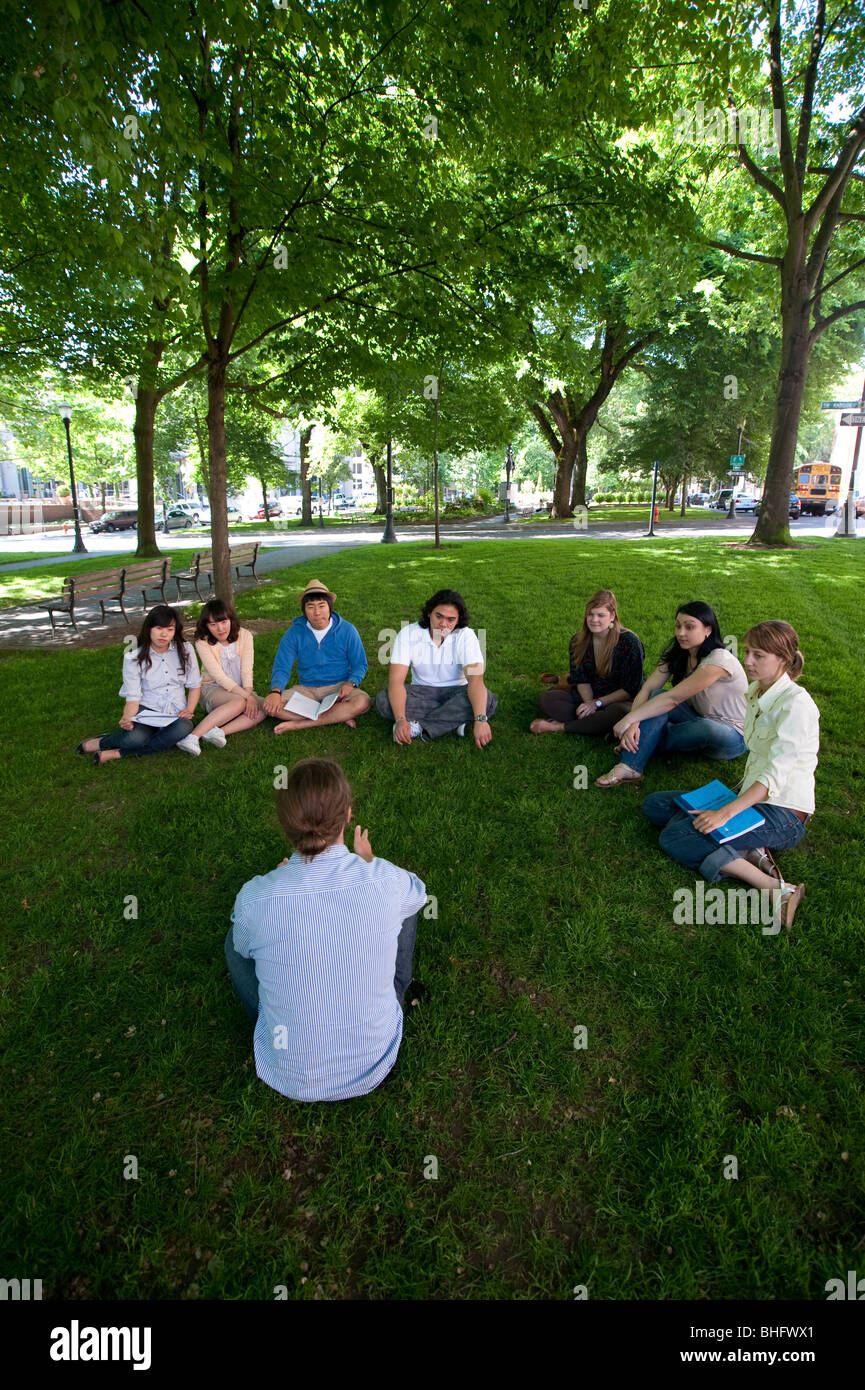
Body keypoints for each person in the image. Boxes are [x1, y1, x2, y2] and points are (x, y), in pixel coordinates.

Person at [226, 758, 428, 1102]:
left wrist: (281, 885)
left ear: (285, 823)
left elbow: (244, 948)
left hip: (290, 1067)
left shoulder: (255, 897)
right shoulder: (384, 880)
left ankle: (275, 1014)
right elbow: (419, 893)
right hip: (376, 1058)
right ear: (348, 815)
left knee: (235, 939)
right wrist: (370, 864)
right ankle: (401, 985)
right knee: (406, 904)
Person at [642, 621, 818, 929]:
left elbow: (773, 779)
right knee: (655, 804)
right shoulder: (756, 692)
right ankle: (747, 847)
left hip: (784, 815)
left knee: (675, 836)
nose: (747, 661)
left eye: (759, 655)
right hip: (750, 800)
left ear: (784, 660)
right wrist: (727, 808)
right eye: (748, 652)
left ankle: (776, 890)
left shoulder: (796, 706)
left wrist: (724, 813)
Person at [595, 601, 747, 788]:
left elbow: (673, 699)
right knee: (658, 694)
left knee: (705, 726)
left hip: (731, 735)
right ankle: (630, 765)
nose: (681, 633)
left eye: (689, 627)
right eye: (678, 626)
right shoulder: (679, 653)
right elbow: (648, 689)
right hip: (695, 717)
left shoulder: (719, 659)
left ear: (708, 629)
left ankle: (645, 740)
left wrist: (630, 719)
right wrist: (633, 723)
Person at [75, 605, 202, 764]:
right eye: (158, 628)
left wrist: (189, 709)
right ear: (149, 628)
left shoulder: (185, 650)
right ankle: (103, 742)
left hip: (175, 711)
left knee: (184, 727)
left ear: (175, 631)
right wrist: (127, 718)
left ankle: (118, 753)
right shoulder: (134, 657)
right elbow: (133, 696)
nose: (164, 634)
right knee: (134, 738)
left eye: (169, 629)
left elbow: (194, 685)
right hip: (147, 710)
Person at [376, 588, 496, 746]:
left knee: (487, 699)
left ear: (458, 620)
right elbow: (396, 681)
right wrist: (400, 719)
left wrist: (480, 719)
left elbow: (475, 680)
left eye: (450, 619)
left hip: (458, 692)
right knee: (383, 701)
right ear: (429, 613)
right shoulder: (408, 634)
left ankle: (420, 726)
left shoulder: (466, 636)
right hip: (421, 692)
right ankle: (455, 720)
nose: (443, 624)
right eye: (438, 616)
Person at [261, 579, 371, 734]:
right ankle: (338, 714)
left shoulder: (347, 630)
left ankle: (301, 723)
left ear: (330, 608)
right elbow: (282, 666)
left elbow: (360, 664)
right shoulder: (294, 633)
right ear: (304, 610)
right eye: (310, 607)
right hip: (307, 690)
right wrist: (275, 692)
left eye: (321, 606)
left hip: (338, 688)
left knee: (363, 701)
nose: (317, 612)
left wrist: (351, 683)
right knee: (271, 707)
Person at [530, 589, 644, 737]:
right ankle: (596, 725)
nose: (594, 619)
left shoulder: (630, 643)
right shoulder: (578, 641)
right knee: (548, 699)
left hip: (620, 699)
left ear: (612, 616)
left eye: (600, 615)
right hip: (591, 694)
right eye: (590, 614)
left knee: (619, 713)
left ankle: (558, 726)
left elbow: (630, 689)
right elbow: (581, 679)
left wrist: (597, 704)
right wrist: (589, 703)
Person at [187, 598, 267, 750]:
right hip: (213, 688)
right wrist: (247, 697)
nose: (220, 629)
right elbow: (219, 677)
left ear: (231, 619)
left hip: (241, 689)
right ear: (206, 626)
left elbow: (247, 669)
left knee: (263, 708)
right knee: (240, 702)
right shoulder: (202, 642)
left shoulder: (245, 635)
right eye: (213, 624)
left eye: (224, 622)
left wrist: (248, 693)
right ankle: (192, 737)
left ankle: (218, 732)